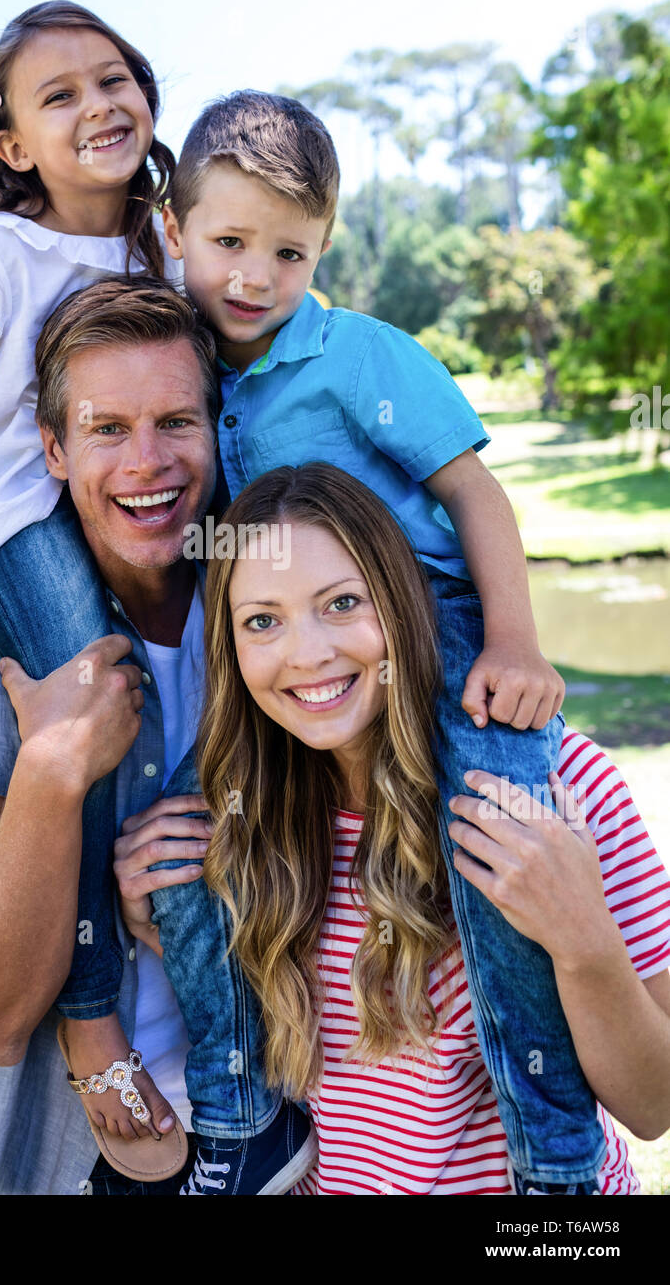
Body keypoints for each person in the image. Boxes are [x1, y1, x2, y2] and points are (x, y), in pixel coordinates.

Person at [159, 90, 603, 1192]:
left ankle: (547, 1143)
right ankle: (239, 1118)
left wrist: (512, 642)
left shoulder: (355, 358)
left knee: (491, 833)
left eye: (289, 252)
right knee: (177, 841)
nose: (255, 276)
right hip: (301, 642)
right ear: (174, 231)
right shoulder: (198, 375)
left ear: (322, 254)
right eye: (228, 243)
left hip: (435, 631)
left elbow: (475, 493)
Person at [117, 462, 670, 1194]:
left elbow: (654, 1105)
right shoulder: (239, 823)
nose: (308, 653)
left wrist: (585, 941)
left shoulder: (559, 791)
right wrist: (154, 915)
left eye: (342, 603)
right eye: (263, 621)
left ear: (403, 607)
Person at [0, 276, 314, 1194]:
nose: (147, 464)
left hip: (302, 1137)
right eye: (107, 429)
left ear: (219, 428)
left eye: (176, 422)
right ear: (52, 448)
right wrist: (52, 773)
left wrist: (199, 892)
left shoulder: (280, 626)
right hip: (72, 1158)